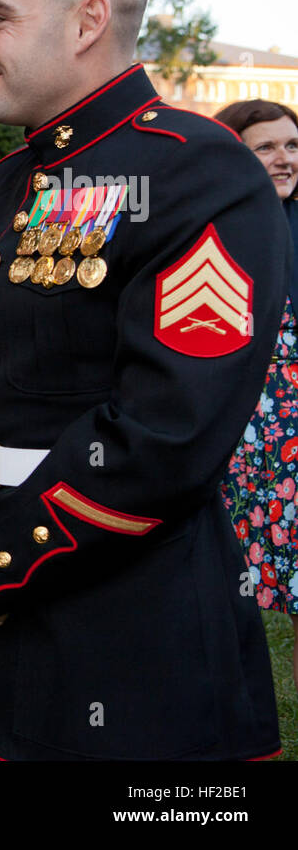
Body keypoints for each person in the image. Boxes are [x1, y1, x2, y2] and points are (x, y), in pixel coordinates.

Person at [0, 0, 285, 760]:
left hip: (129, 651)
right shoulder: (9, 184)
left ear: (87, 21)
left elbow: (165, 433)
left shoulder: (200, 171)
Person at [216, 99, 298, 693]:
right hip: (235, 416)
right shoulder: (211, 222)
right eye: (266, 146)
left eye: (293, 146)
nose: (284, 158)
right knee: (219, 572)